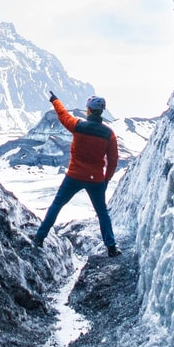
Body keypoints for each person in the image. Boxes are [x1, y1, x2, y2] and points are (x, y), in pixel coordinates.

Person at [33, 90, 122, 257]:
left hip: (74, 176)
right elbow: (113, 161)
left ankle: (39, 238)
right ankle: (111, 247)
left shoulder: (79, 126)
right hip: (95, 180)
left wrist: (55, 100)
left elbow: (63, 116)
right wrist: (105, 180)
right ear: (101, 111)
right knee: (102, 213)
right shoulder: (108, 134)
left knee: (57, 205)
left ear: (89, 110)